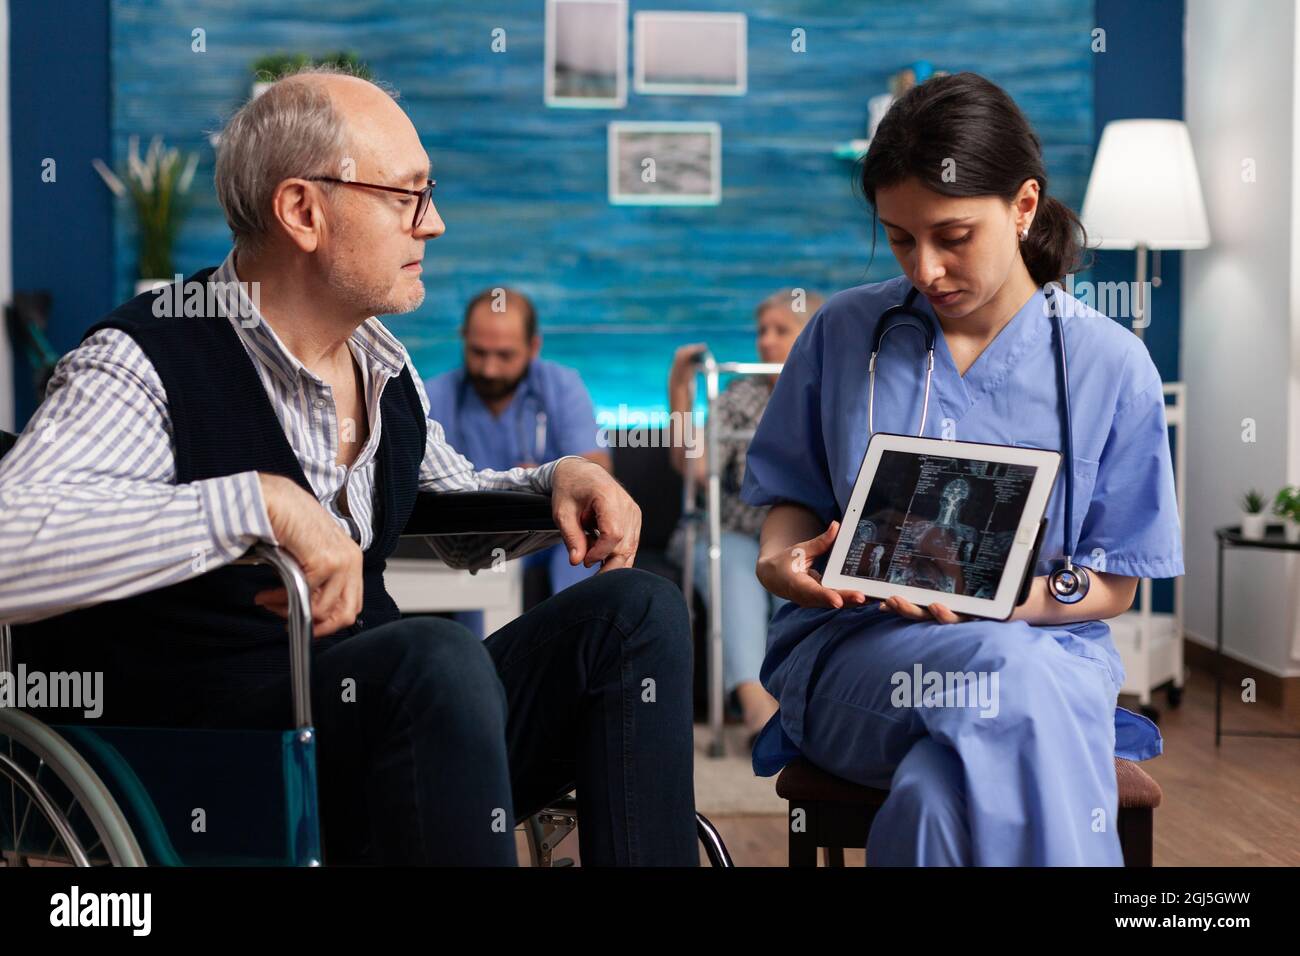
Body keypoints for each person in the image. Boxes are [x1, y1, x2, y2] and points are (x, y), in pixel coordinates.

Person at [0, 66, 697, 866]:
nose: (433, 224)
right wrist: (256, 503)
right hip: (221, 762)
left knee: (636, 613)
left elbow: (441, 496)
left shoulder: (381, 367)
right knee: (435, 656)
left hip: (384, 725)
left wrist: (552, 483)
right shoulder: (142, 362)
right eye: (408, 196)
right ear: (303, 211)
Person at [741, 72, 1183, 866]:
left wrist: (1016, 602)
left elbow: (1116, 580)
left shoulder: (1112, 365)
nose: (925, 269)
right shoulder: (843, 333)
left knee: (933, 799)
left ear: (1023, 206)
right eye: (900, 238)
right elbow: (790, 501)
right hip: (861, 662)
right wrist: (783, 565)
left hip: (1050, 661)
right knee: (1006, 676)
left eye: (951, 236)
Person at [665, 288, 824, 744]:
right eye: (762, 331)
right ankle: (758, 713)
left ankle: (803, 712)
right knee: (733, 570)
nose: (766, 341)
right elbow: (695, 468)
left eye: (781, 331)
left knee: (795, 589)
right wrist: (680, 391)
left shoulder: (834, 393)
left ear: (812, 336)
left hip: (806, 538)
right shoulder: (741, 395)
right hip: (731, 529)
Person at [424, 289, 607, 634]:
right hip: (473, 537)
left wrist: (549, 479)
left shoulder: (562, 386)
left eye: (505, 355)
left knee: (578, 543)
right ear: (463, 339)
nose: (490, 369)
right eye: (478, 352)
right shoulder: (433, 395)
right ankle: (485, 674)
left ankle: (577, 658)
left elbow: (596, 471)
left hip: (548, 531)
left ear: (533, 347)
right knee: (478, 562)